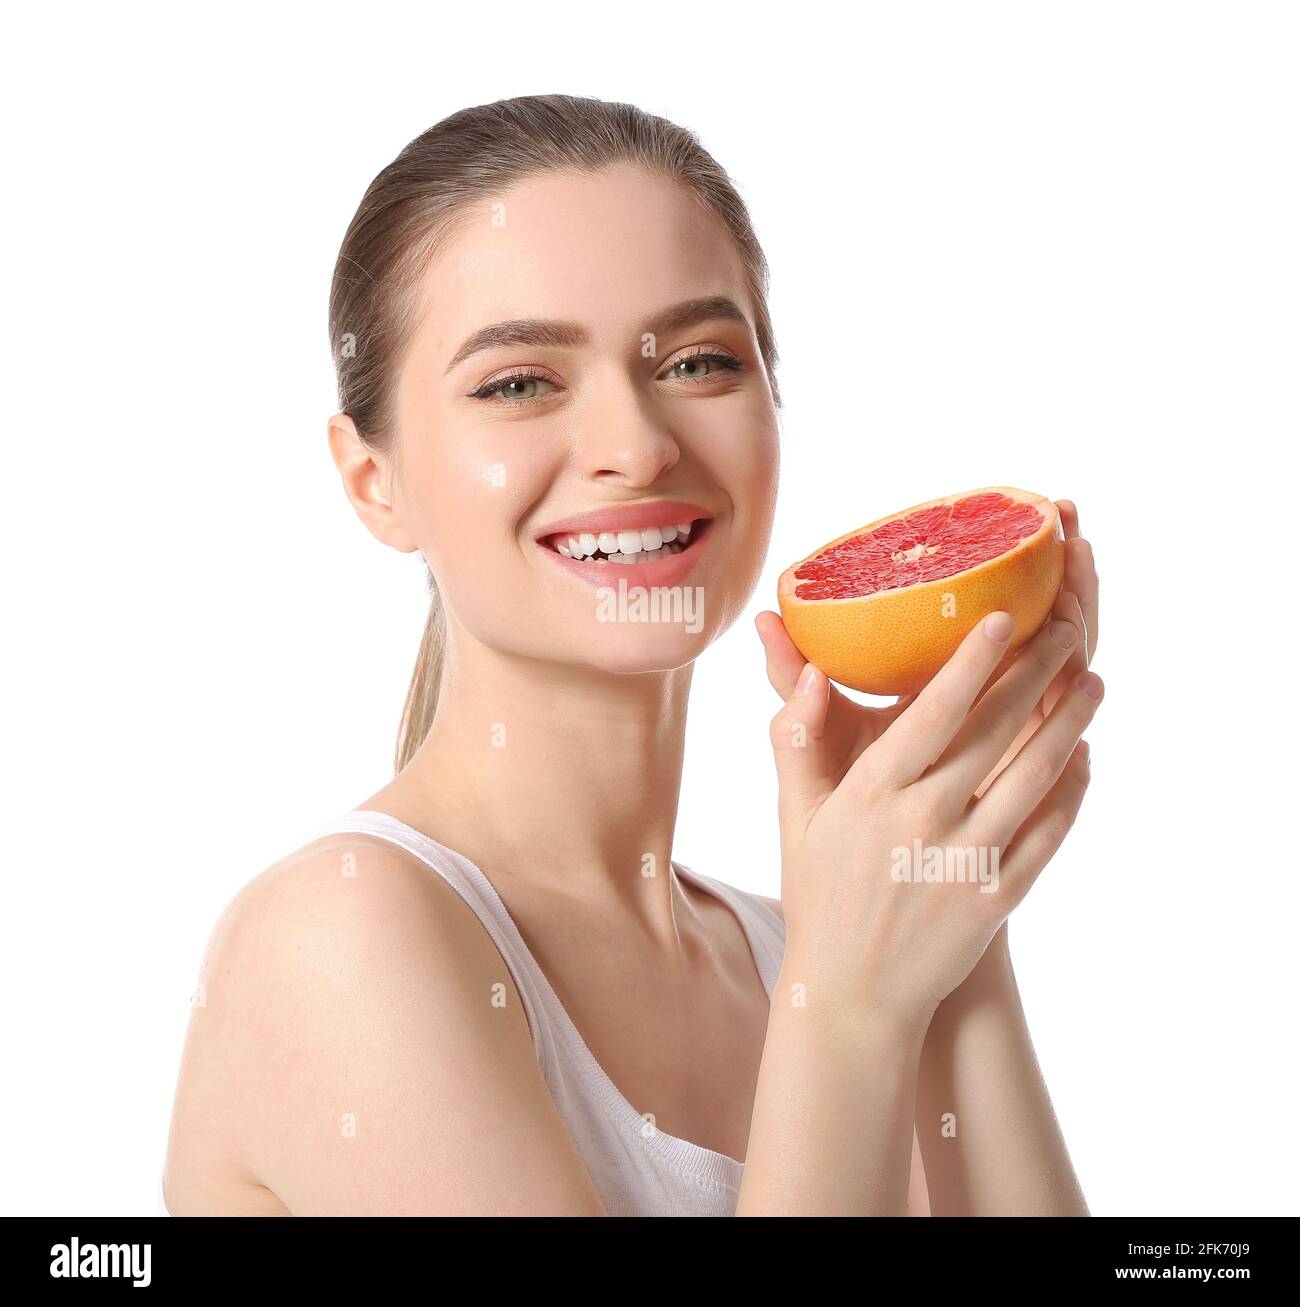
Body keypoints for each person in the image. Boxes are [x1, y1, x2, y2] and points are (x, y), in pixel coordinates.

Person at [162, 94, 1102, 1216]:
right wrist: (852, 1006)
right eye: (519, 382)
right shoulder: (340, 935)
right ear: (374, 479)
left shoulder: (800, 943)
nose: (638, 445)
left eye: (699, 362)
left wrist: (954, 929)